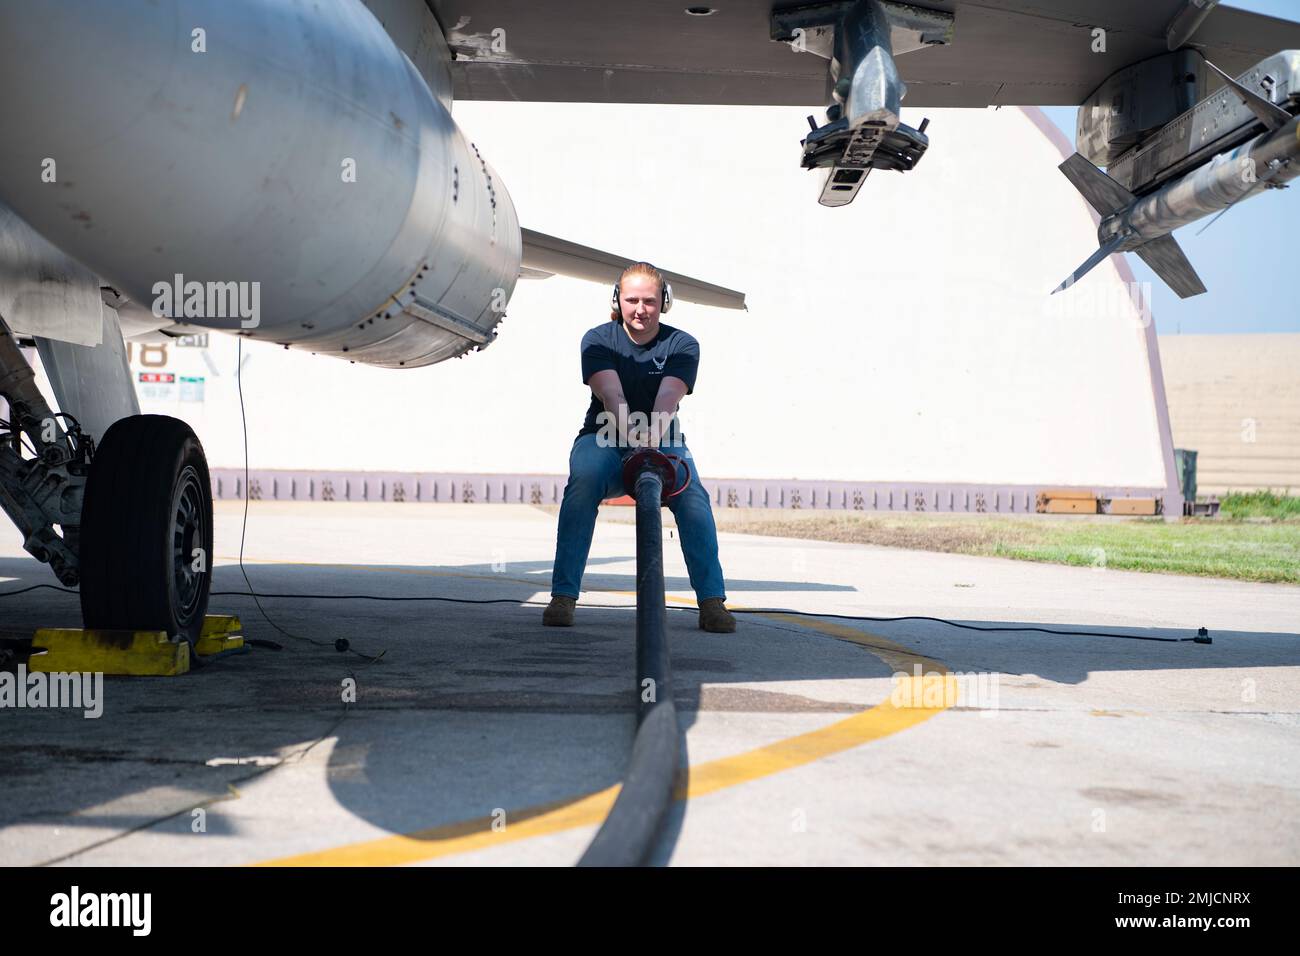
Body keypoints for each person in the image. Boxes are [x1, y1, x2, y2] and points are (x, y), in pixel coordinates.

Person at [543, 261, 736, 633]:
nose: (640, 309)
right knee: (583, 482)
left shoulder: (682, 344)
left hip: (663, 436)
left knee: (692, 497)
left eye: (649, 301)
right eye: (631, 300)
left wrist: (650, 443)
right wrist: (633, 439)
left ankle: (712, 601)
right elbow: (610, 392)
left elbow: (669, 397)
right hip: (604, 435)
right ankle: (563, 597)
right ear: (618, 300)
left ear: (664, 302)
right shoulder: (598, 339)